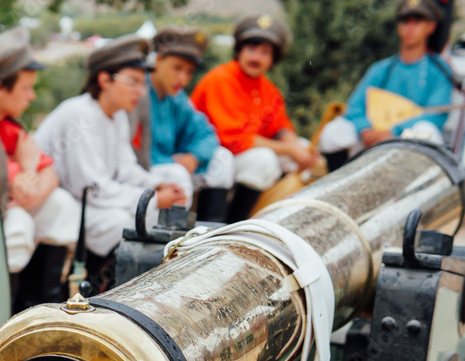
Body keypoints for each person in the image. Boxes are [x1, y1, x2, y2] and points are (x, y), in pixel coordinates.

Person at [0, 26, 81, 309]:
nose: (32, 96)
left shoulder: (8, 124)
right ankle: (0, 308)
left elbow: (48, 172)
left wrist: (28, 177)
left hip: (9, 204)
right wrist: (23, 169)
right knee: (19, 224)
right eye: (26, 88)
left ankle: (40, 304)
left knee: (61, 205)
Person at [34, 35, 186, 265]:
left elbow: (125, 169)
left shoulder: (117, 116)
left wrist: (157, 186)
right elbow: (90, 188)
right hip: (59, 204)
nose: (141, 91)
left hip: (86, 202)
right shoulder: (79, 114)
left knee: (171, 191)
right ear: (105, 80)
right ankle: (96, 284)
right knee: (120, 220)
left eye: (143, 83)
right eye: (133, 81)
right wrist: (151, 199)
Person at [191, 14, 318, 221]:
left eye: (265, 52)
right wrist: (290, 149)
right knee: (263, 160)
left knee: (301, 149)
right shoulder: (221, 79)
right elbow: (235, 140)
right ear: (239, 51)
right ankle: (234, 224)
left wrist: (297, 148)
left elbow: (280, 128)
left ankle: (273, 219)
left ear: (273, 59)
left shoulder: (267, 88)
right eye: (251, 49)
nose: (256, 58)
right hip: (211, 158)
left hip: (238, 159)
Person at [319, 0, 456, 170]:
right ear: (399, 26)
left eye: (417, 22)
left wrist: (394, 132)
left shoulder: (439, 72)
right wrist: (365, 129)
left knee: (425, 131)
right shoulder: (381, 69)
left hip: (406, 143)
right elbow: (355, 107)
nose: (410, 28)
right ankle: (336, 186)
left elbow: (436, 116)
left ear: (430, 27)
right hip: (372, 139)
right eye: (406, 21)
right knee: (332, 132)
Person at [147, 27, 235, 222]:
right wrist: (171, 162)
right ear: (158, 60)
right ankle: (170, 244)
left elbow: (206, 133)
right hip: (141, 173)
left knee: (223, 159)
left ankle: (209, 233)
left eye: (189, 72)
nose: (183, 79)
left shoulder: (176, 98)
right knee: (176, 173)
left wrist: (193, 157)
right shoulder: (137, 92)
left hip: (170, 168)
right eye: (177, 68)